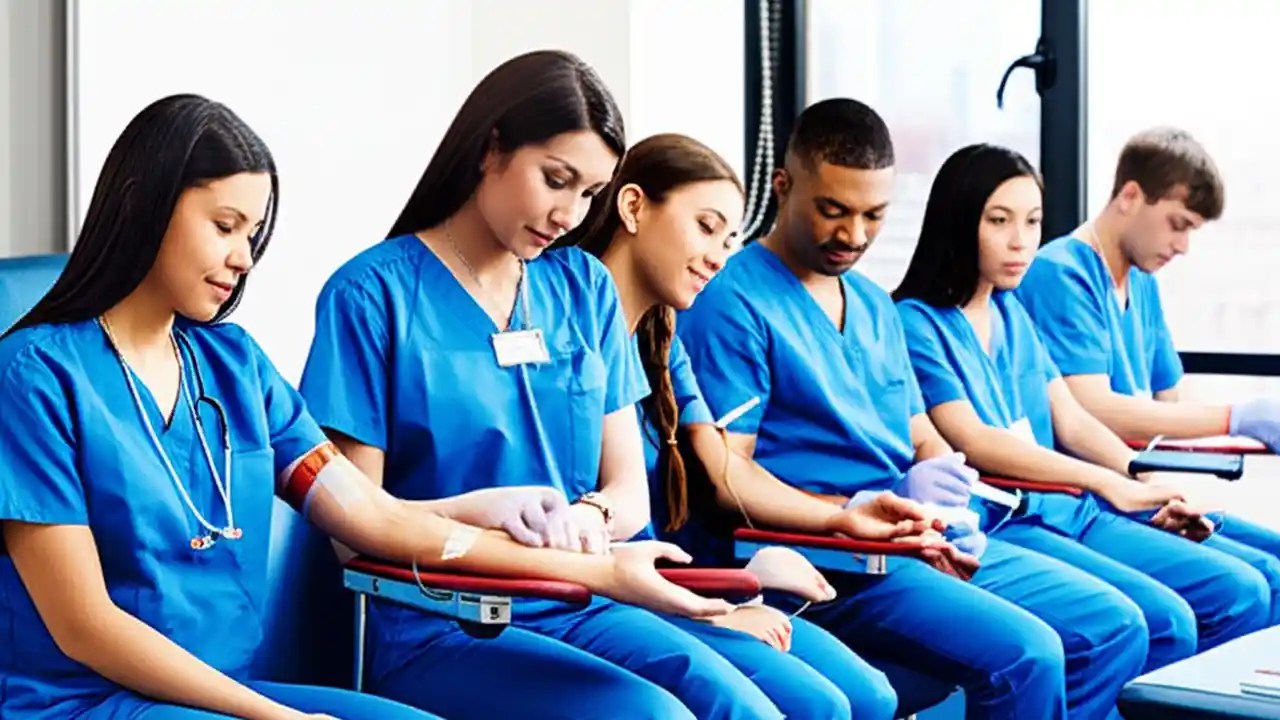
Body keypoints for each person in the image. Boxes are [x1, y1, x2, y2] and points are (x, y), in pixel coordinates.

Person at [0, 94, 726, 720]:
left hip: (227, 692)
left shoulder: (235, 363)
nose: (245, 259)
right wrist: (273, 712)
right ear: (143, 203)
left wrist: (496, 512)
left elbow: (368, 514)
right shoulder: (36, 374)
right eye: (224, 227)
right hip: (94, 699)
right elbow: (83, 626)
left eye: (253, 235)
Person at [297, 51, 803, 720]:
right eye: (556, 180)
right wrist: (481, 508)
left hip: (581, 600)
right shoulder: (370, 295)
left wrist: (589, 517)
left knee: (751, 710)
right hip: (444, 621)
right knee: (658, 716)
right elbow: (352, 527)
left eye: (589, 193)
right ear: (490, 148)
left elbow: (625, 490)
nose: (569, 212)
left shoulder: (584, 289)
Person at [677, 98, 1156, 719]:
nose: (853, 235)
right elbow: (728, 477)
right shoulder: (732, 301)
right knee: (1030, 655)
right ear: (783, 185)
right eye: (832, 210)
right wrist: (843, 515)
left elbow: (920, 433)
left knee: (1117, 623)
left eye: (873, 215)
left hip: (915, 536)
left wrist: (940, 486)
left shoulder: (874, 306)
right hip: (834, 557)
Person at [567, 131, 981, 719]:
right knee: (823, 704)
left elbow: (723, 471)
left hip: (690, 577)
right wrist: (728, 600)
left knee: (874, 693)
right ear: (634, 207)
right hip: (625, 591)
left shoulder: (664, 342)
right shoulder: (568, 332)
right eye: (705, 227)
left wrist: (839, 518)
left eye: (728, 237)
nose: (718, 255)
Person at [891, 142, 1275, 671]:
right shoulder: (916, 323)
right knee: (1159, 620)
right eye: (1000, 221)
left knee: (1219, 597)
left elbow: (1069, 417)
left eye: (1032, 222)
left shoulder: (1010, 312)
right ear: (959, 221)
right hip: (1009, 521)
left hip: (1068, 507)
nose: (1021, 242)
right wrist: (1106, 482)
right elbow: (975, 439)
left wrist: (1139, 486)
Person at [1015, 127, 1280, 601]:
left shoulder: (1141, 282)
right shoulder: (1061, 274)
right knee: (1250, 587)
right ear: (1131, 196)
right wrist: (1237, 418)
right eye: (1178, 224)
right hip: (1094, 499)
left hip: (1142, 488)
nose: (1183, 247)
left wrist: (1173, 483)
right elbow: (1092, 408)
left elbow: (1168, 398)